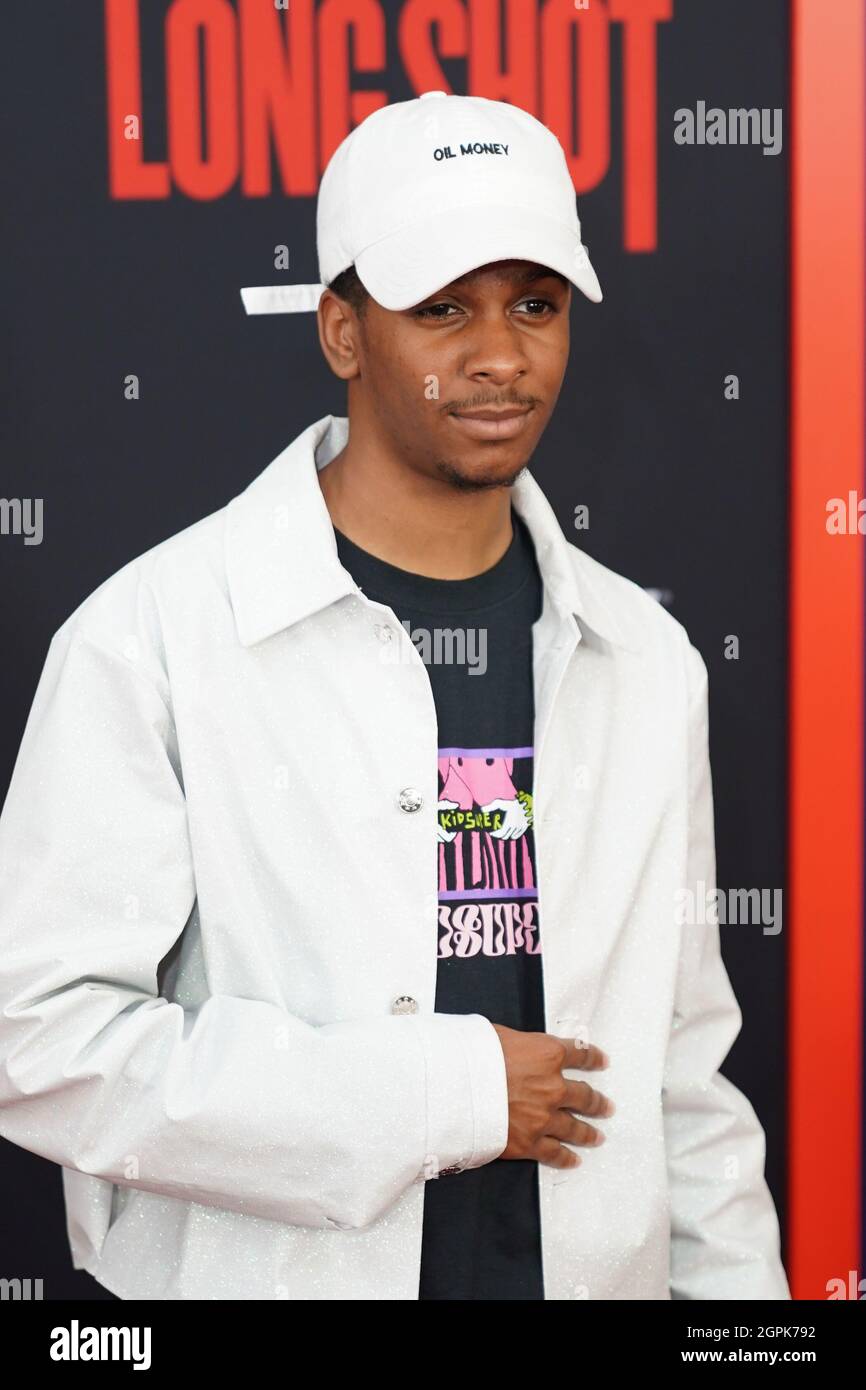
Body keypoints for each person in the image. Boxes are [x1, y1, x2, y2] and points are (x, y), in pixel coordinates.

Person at [0, 92, 790, 1301]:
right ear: (341, 330)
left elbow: (680, 1074)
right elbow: (39, 1040)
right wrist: (440, 1095)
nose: (499, 353)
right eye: (439, 307)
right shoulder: (153, 637)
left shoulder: (643, 656)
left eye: (534, 303)